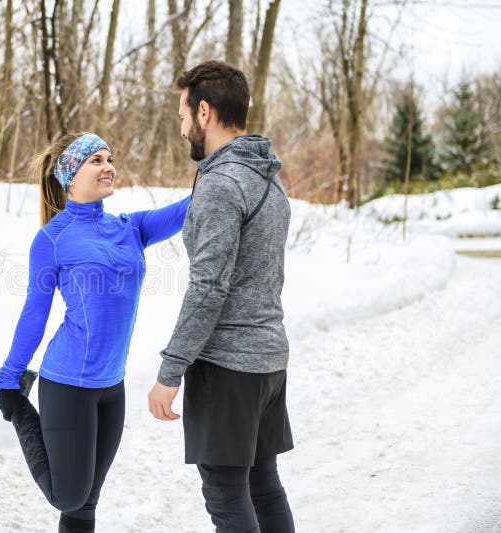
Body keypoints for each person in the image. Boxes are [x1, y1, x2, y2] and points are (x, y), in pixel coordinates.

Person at [0, 132, 191, 533]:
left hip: (112, 385)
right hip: (67, 381)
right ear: (70, 175)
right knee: (69, 496)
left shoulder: (131, 228)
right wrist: (8, 381)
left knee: (85, 503)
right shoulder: (52, 240)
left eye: (110, 157)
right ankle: (20, 410)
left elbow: (187, 209)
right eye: (96, 160)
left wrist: (224, 166)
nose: (108, 166)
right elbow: (34, 314)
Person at [147, 61, 296, 532]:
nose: (182, 127)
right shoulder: (267, 177)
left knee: (227, 497)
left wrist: (171, 370)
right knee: (262, 484)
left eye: (183, 116)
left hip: (230, 365)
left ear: (204, 112)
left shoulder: (220, 185)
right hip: (268, 360)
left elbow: (209, 288)